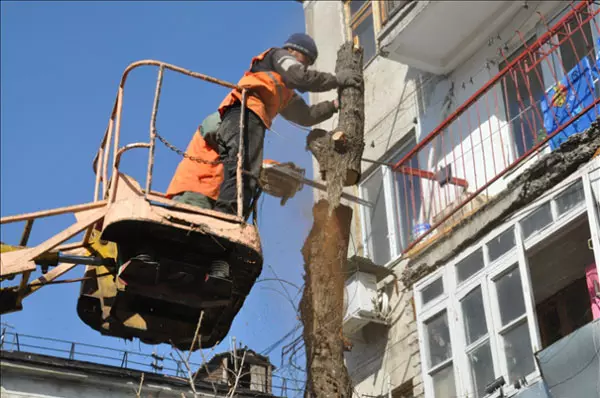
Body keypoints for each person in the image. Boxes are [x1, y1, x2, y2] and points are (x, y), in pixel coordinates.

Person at [212, 32, 363, 216]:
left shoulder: (283, 89)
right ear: (291, 50)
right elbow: (299, 77)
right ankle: (226, 219)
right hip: (244, 114)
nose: (305, 65)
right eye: (305, 59)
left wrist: (333, 106)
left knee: (246, 174)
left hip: (246, 118)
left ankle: (230, 218)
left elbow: (305, 115)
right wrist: (336, 79)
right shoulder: (279, 55)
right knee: (244, 172)